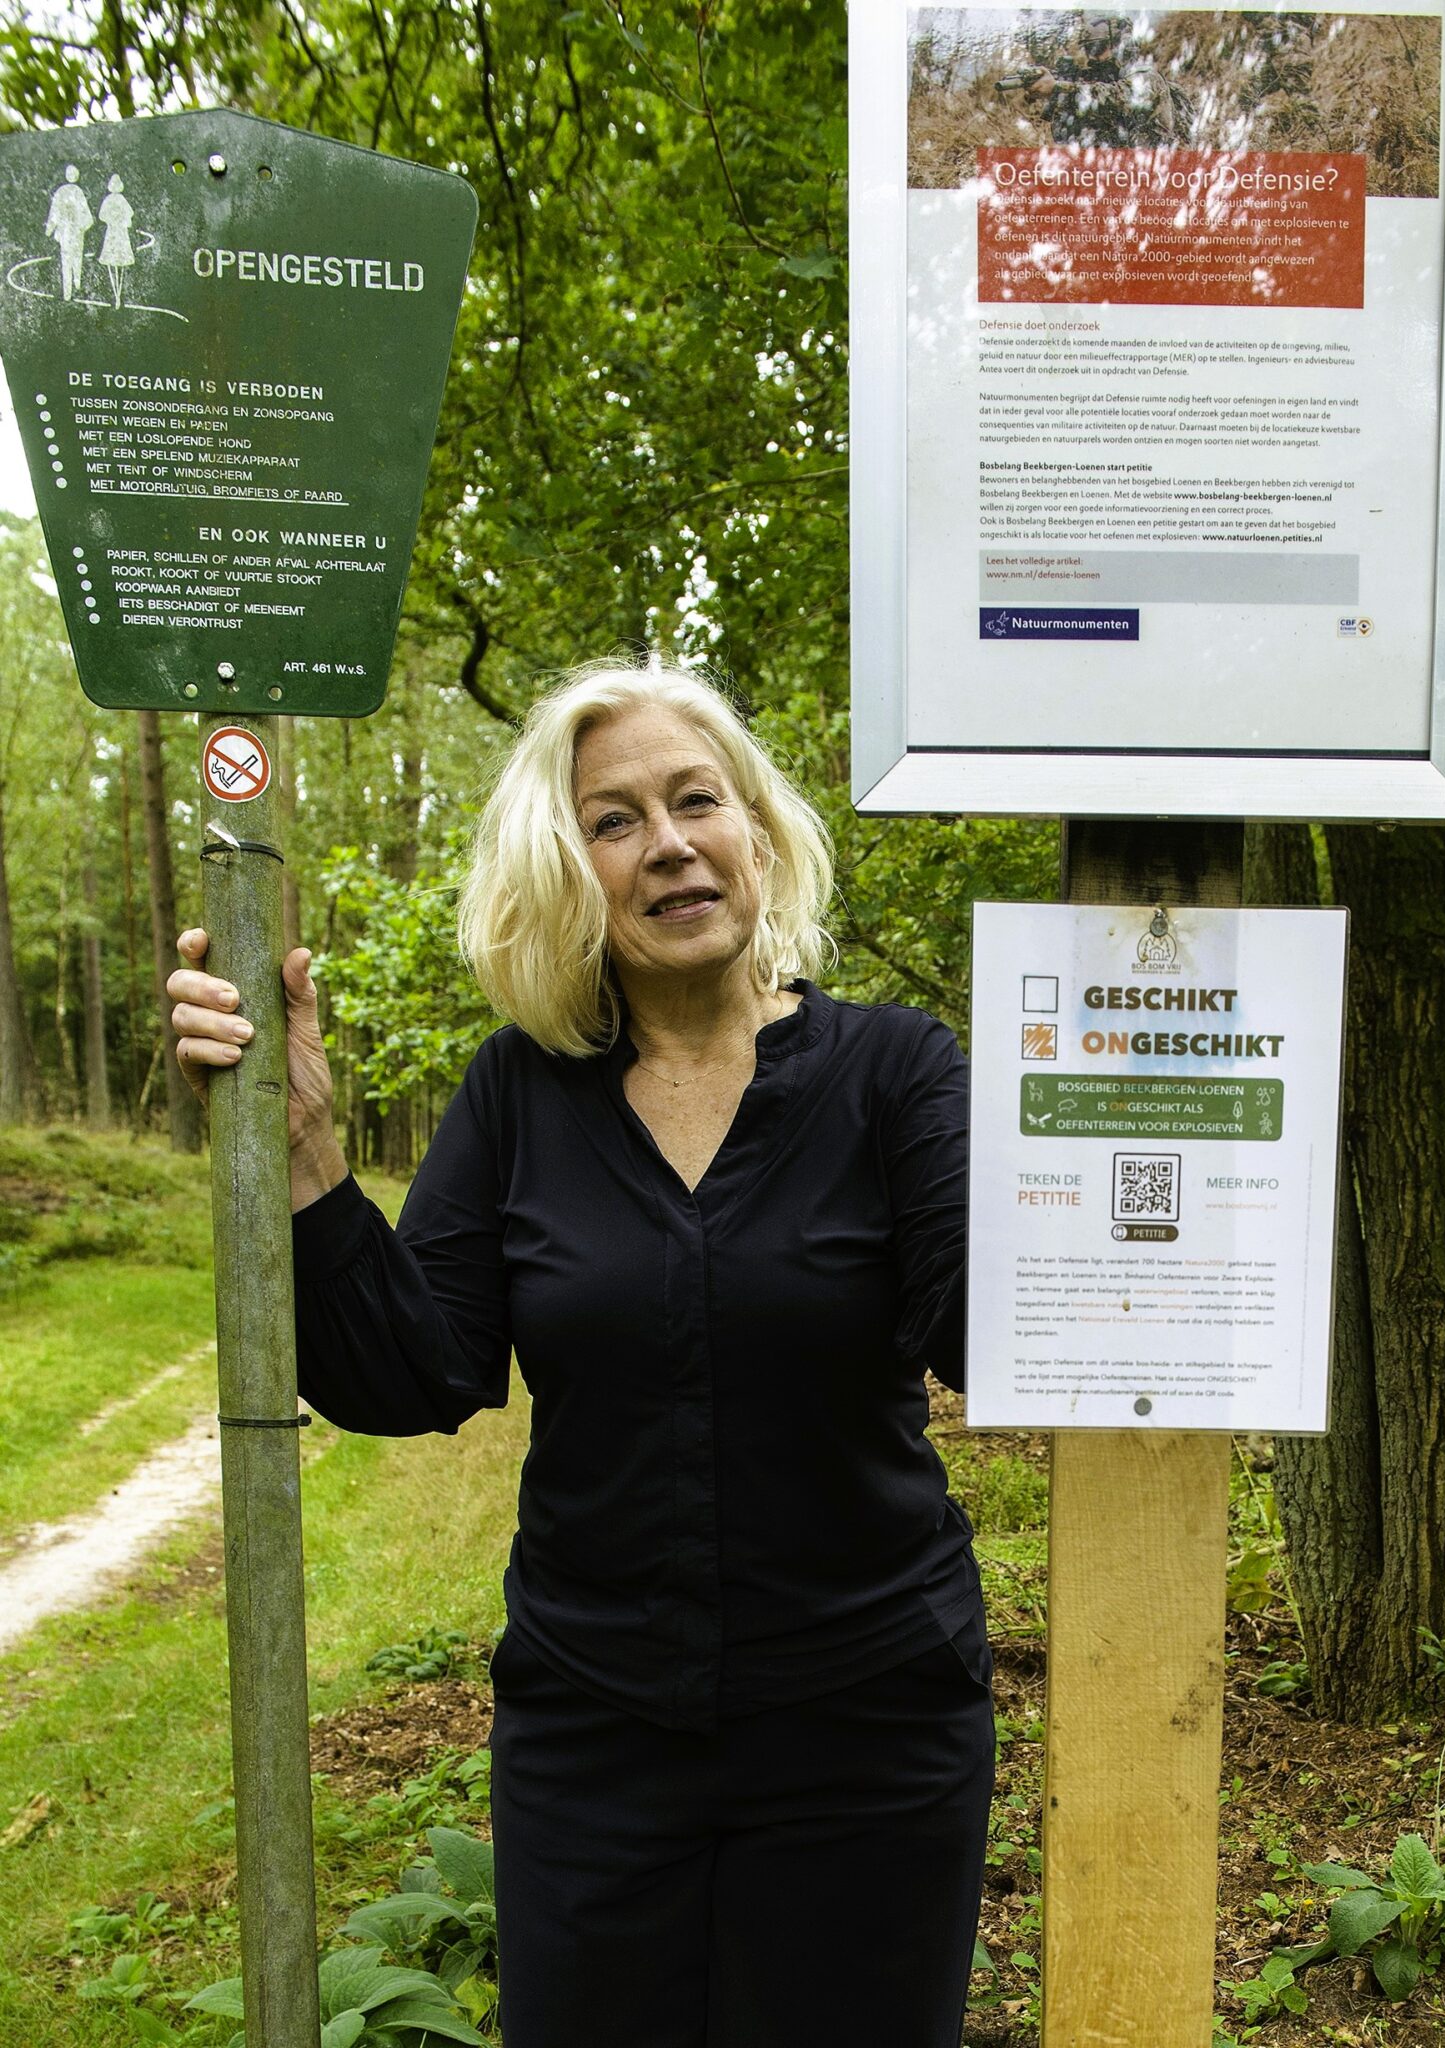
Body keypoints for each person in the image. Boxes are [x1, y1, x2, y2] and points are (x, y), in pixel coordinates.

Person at [166, 658, 993, 2048]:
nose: (669, 843)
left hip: (871, 1734)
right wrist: (302, 1149)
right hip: (597, 1745)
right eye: (615, 822)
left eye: (696, 801)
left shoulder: (895, 1073)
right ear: (568, 875)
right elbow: (408, 1369)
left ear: (756, 831)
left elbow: (987, 1329)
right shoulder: (517, 1098)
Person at [44, 165, 92, 302]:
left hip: (65, 232)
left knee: (66, 259)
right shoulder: (79, 192)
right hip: (77, 231)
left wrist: (49, 230)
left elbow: (54, 213)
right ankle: (77, 284)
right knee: (77, 257)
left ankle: (67, 293)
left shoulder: (60, 192)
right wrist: (83, 226)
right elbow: (87, 216)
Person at [96, 173, 134, 310]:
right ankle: (118, 294)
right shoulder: (122, 199)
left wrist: (112, 219)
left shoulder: (108, 200)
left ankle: (116, 294)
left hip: (112, 232)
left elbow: (102, 216)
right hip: (121, 233)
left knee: (111, 262)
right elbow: (129, 215)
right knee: (121, 262)